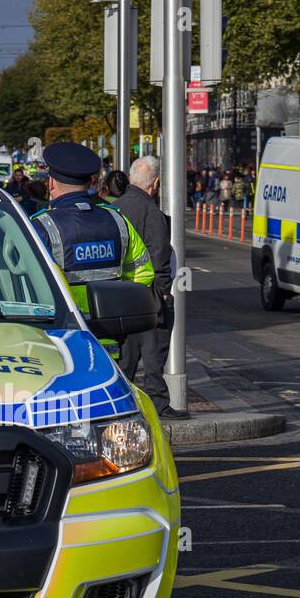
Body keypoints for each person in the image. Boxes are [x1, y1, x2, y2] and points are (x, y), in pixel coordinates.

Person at [28, 142, 155, 340]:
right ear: (91, 181)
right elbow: (142, 272)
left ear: (51, 183)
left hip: (61, 338)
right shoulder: (118, 220)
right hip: (110, 338)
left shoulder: (41, 226)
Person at [114, 156, 187, 421]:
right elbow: (160, 253)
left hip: (120, 294)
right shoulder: (150, 211)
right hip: (151, 295)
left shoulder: (115, 208)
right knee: (155, 351)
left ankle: (122, 403)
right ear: (155, 183)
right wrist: (165, 290)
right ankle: (157, 403)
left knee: (128, 354)